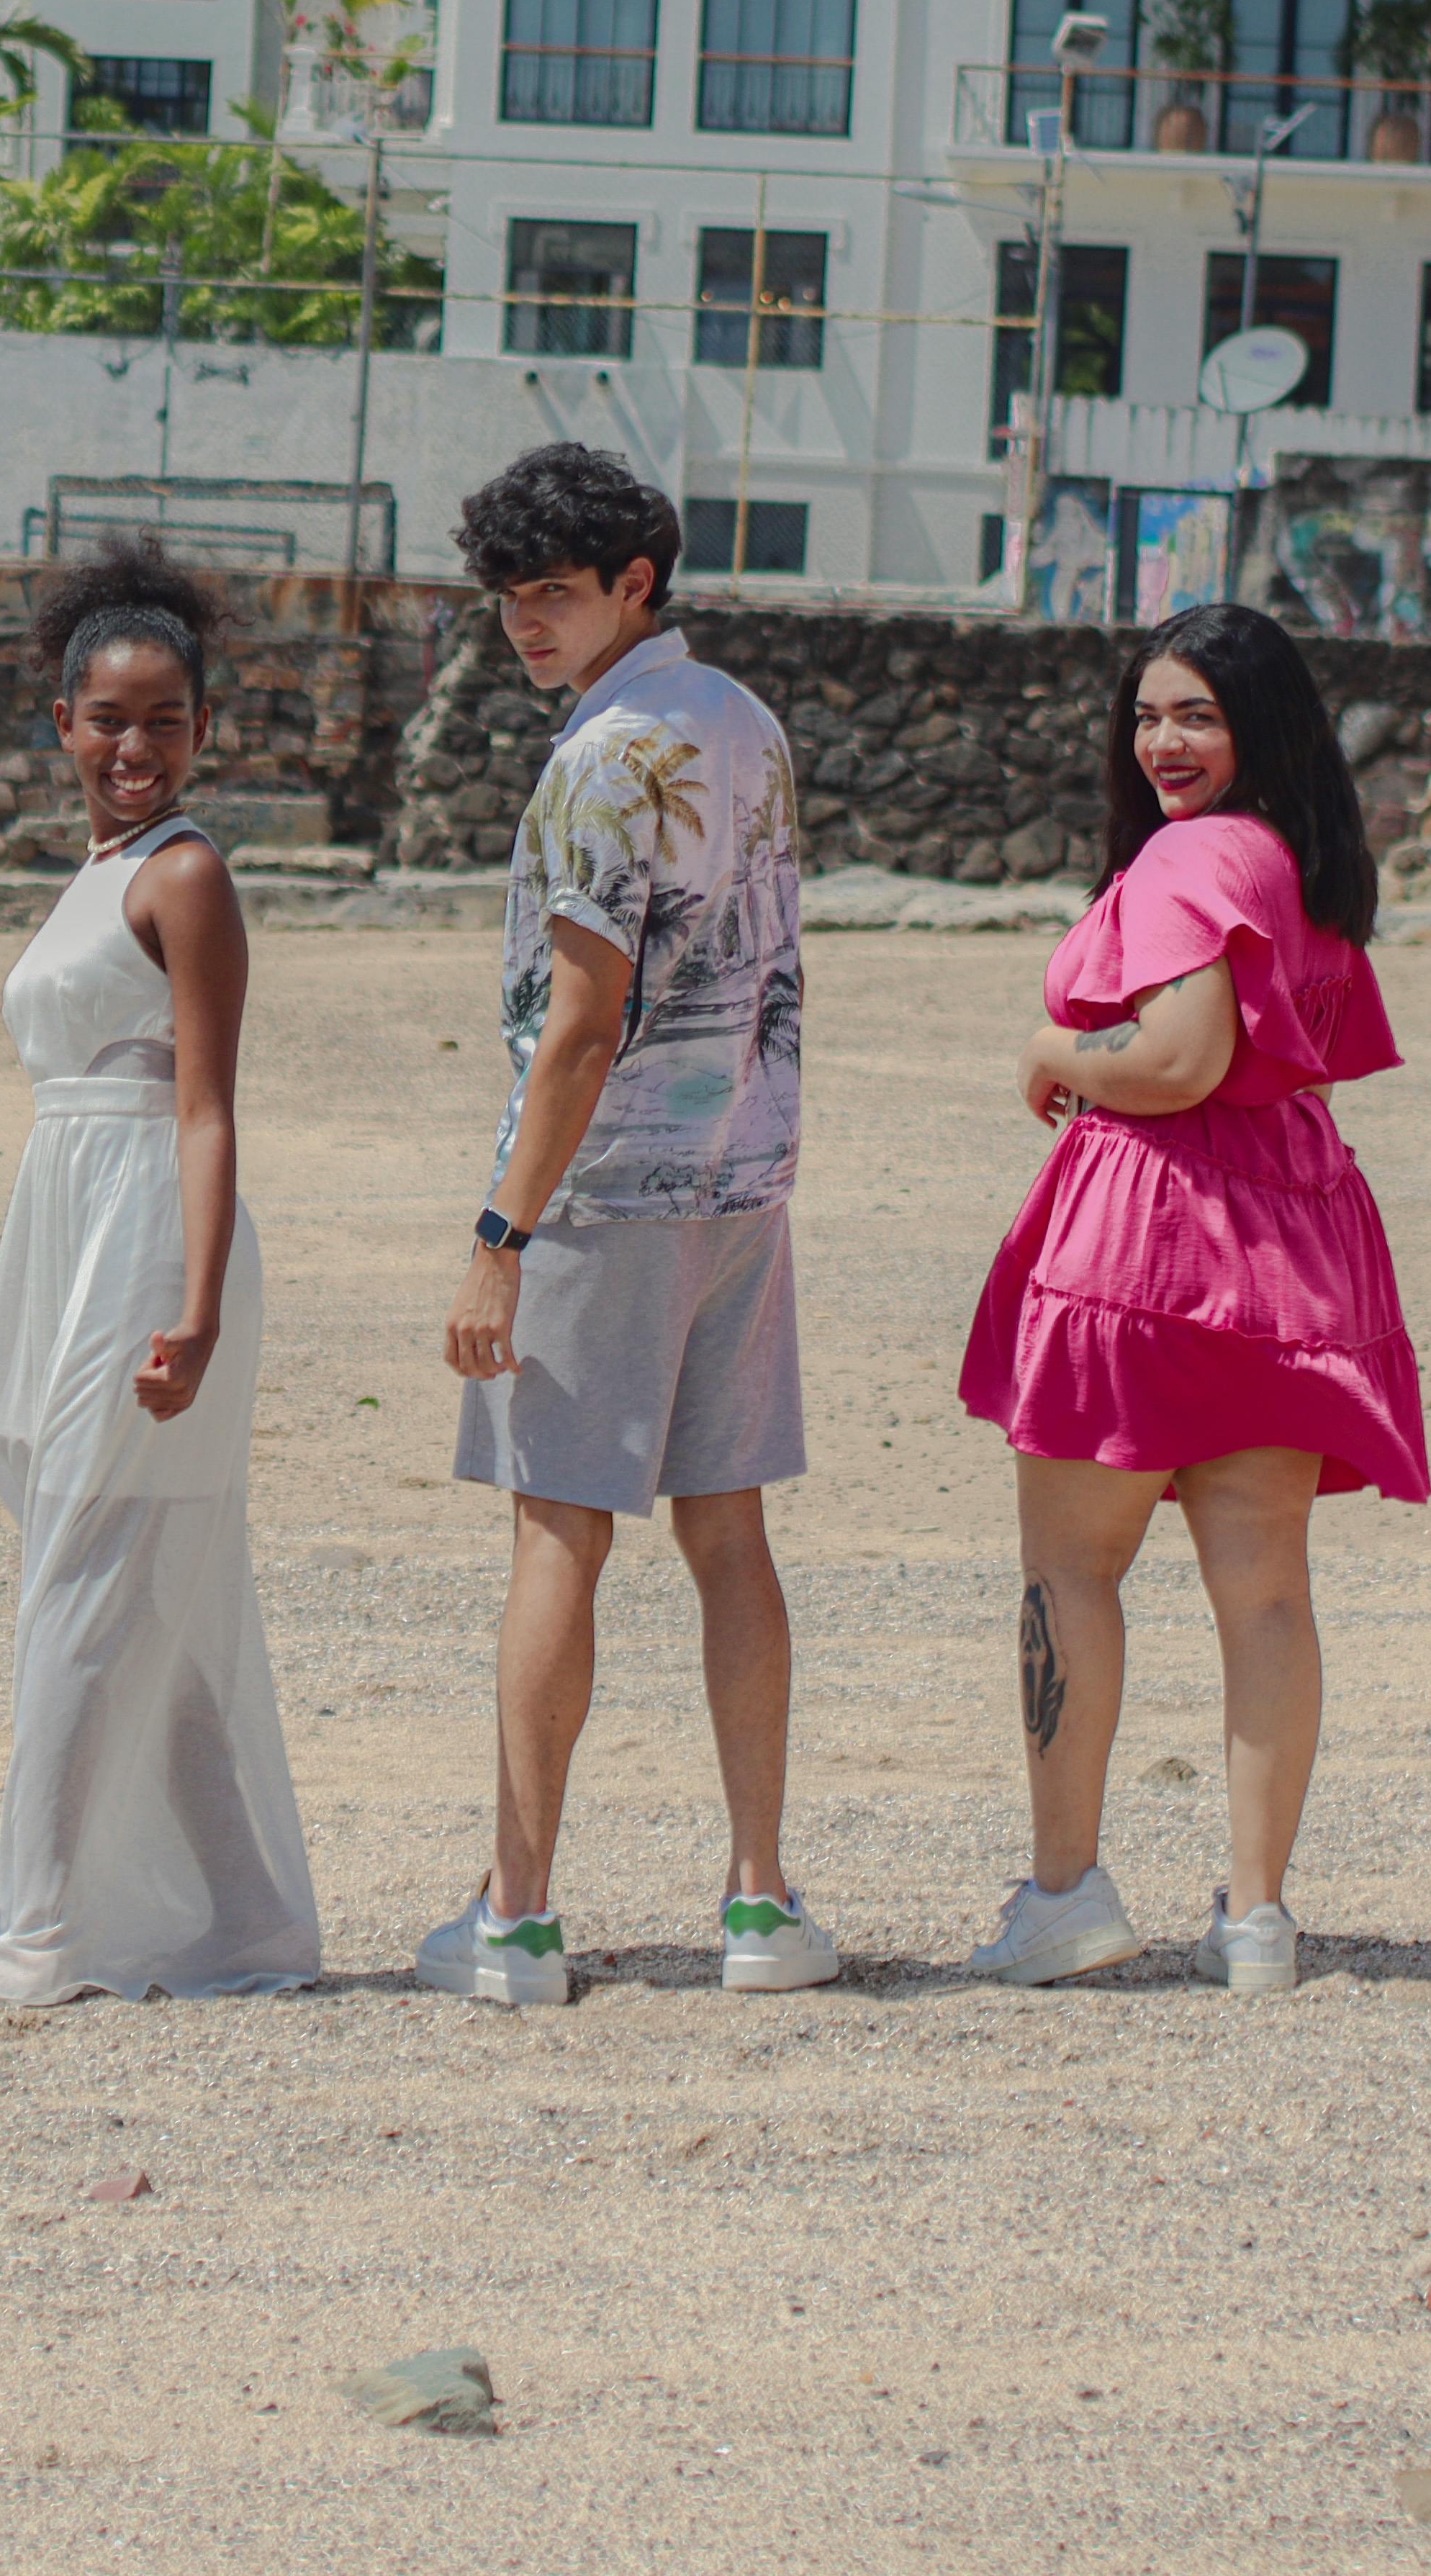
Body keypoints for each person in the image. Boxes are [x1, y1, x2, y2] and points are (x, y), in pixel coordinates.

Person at [954, 604, 1424, 1994]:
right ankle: (1259, 1916)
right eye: (1150, 714)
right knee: (1265, 1591)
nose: (1163, 741)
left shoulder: (1187, 858)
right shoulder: (1301, 858)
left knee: (1072, 1569)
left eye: (1197, 715)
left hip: (1147, 1238)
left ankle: (1064, 1896)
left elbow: (1176, 1060)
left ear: (1258, 726)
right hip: (1289, 1236)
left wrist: (1057, 1051)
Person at [418, 445, 834, 2002]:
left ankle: (518, 1916)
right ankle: (759, 1900)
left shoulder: (604, 759)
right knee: (728, 1532)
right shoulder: (744, 721)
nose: (525, 624)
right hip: (741, 1175)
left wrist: (497, 1231)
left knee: (557, 1531)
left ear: (631, 586)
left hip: (603, 1194)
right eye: (511, 597)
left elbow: (583, 1022)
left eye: (555, 594)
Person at [0, 540, 321, 2006]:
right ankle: (252, 1916)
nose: (136, 745)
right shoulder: (95, 874)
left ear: (203, 729)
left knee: (91, 1585)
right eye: (109, 717)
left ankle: (44, 1923)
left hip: (149, 1234)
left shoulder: (188, 875)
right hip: (69, 1222)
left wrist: (200, 1307)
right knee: (146, 1594)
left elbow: (208, 1104)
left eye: (166, 719)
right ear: (63, 723)